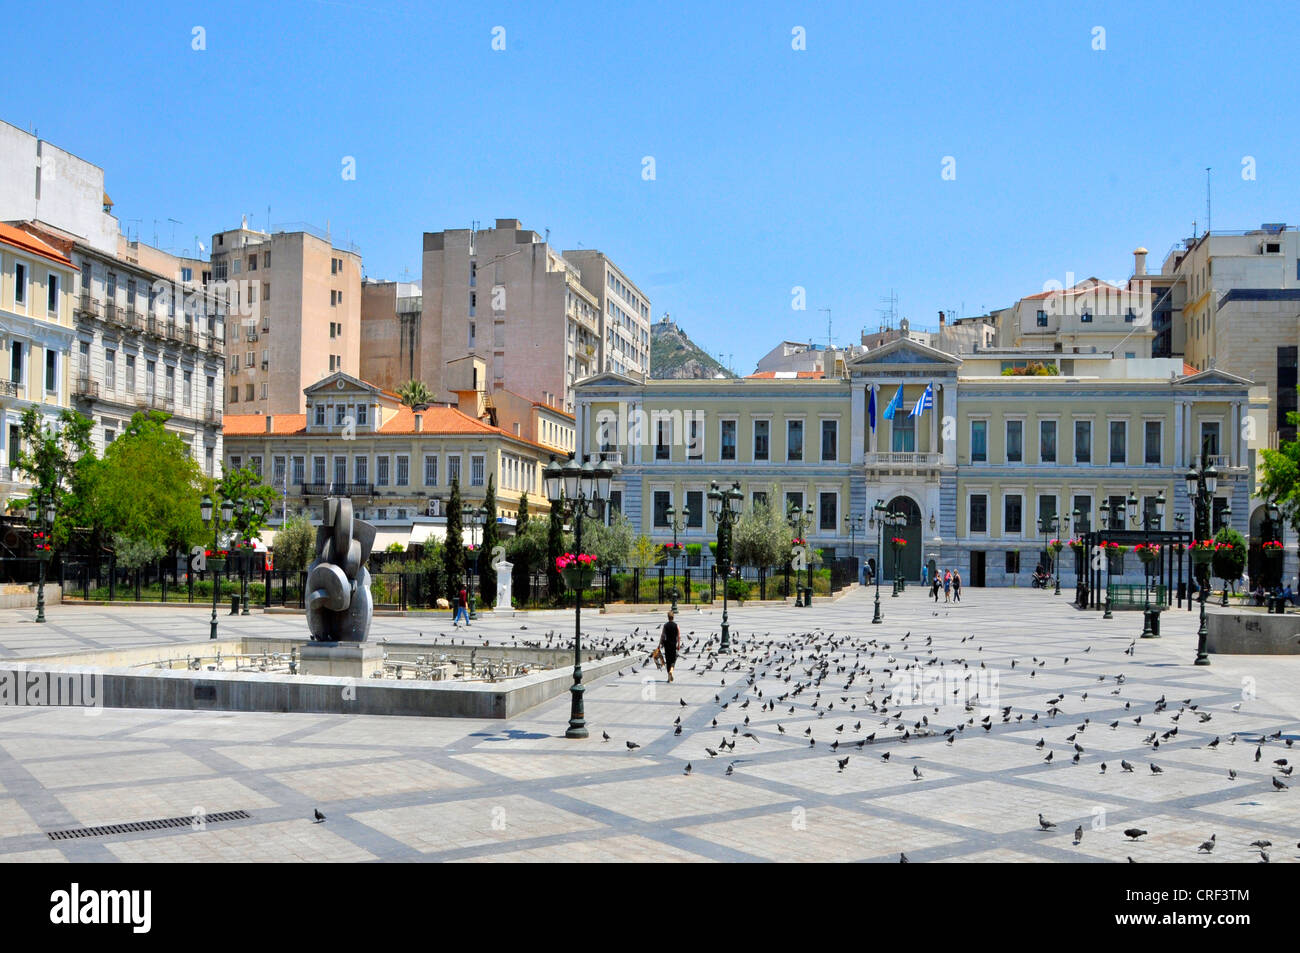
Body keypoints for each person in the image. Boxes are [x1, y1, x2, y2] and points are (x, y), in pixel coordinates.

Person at [660, 610, 681, 682]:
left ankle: (669, 676)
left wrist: (660, 644)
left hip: (667, 644)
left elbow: (662, 635)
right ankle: (671, 670)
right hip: (673, 645)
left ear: (668, 617)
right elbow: (679, 636)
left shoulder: (665, 625)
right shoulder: (676, 625)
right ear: (673, 617)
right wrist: (678, 645)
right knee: (673, 660)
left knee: (668, 660)